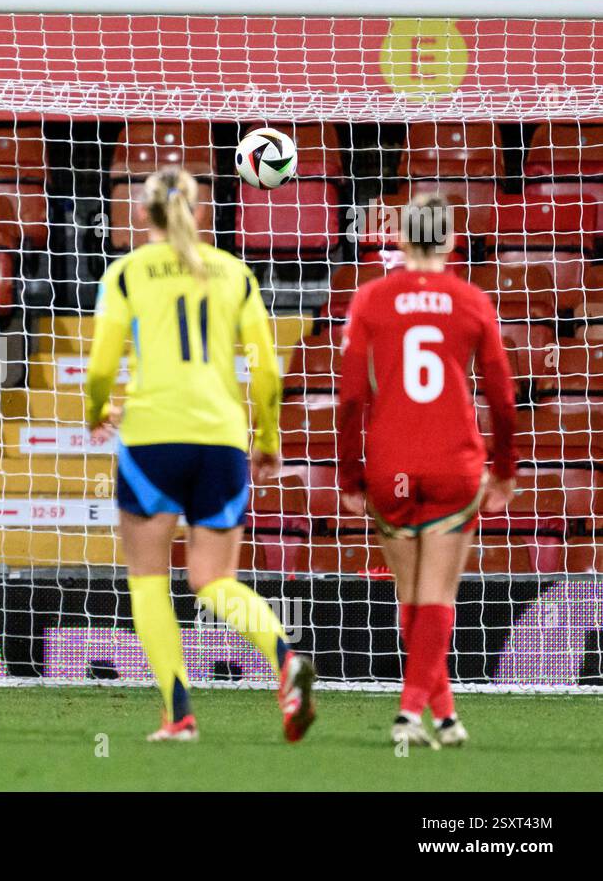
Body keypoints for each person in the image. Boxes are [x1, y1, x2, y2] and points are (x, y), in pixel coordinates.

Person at [86, 165, 315, 743]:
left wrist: (96, 413)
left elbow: (100, 366)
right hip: (219, 438)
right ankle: (284, 660)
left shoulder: (127, 272)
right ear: (199, 211)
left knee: (148, 579)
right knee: (214, 580)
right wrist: (266, 440)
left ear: (142, 214)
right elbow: (267, 368)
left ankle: (179, 714)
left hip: (152, 437)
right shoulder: (234, 273)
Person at [338, 192, 518, 749]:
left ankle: (440, 715)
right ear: (449, 240)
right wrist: (505, 469)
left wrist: (349, 477)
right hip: (452, 462)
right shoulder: (471, 301)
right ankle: (412, 713)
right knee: (438, 593)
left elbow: (348, 400)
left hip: (391, 462)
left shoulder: (370, 300)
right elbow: (503, 398)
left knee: (410, 593)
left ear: (398, 238)